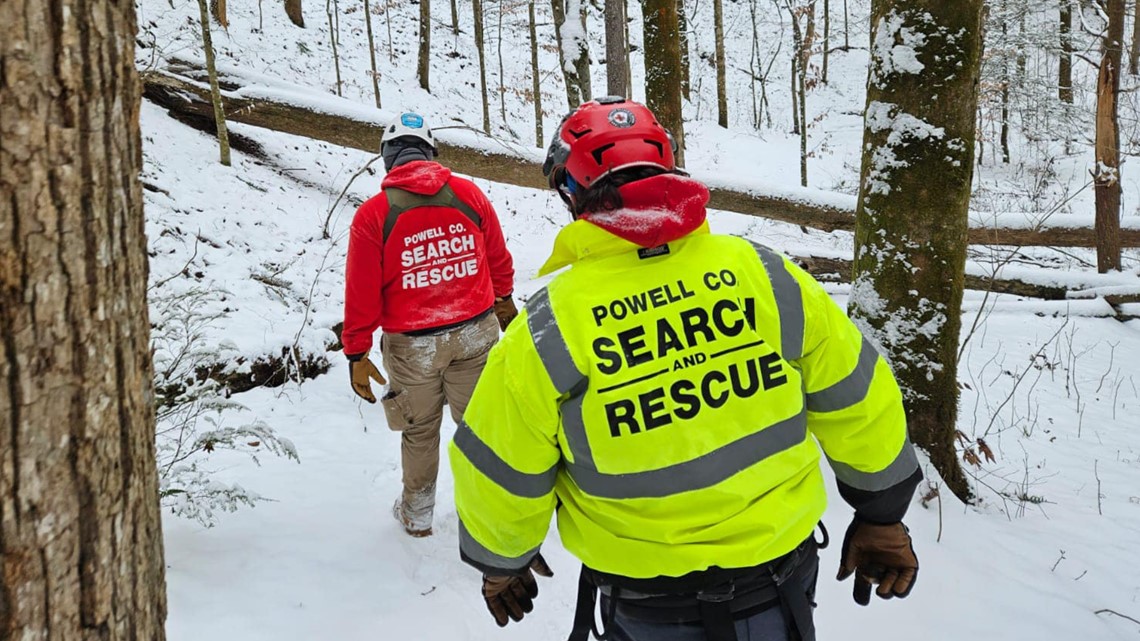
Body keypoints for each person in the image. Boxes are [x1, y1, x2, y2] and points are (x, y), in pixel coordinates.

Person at [448, 98, 922, 641]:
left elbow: (500, 465)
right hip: (780, 586)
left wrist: (501, 558)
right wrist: (882, 513)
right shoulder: (764, 274)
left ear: (571, 193)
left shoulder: (549, 326)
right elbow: (860, 398)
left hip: (648, 604)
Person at [343, 112, 517, 538]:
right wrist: (504, 300)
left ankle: (417, 515)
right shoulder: (468, 194)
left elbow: (361, 292)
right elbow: (498, 257)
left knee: (419, 432)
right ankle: (492, 514)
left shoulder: (373, 215)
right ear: (430, 152)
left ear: (388, 159)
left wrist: (356, 352)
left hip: (412, 345)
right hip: (476, 332)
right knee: (481, 428)